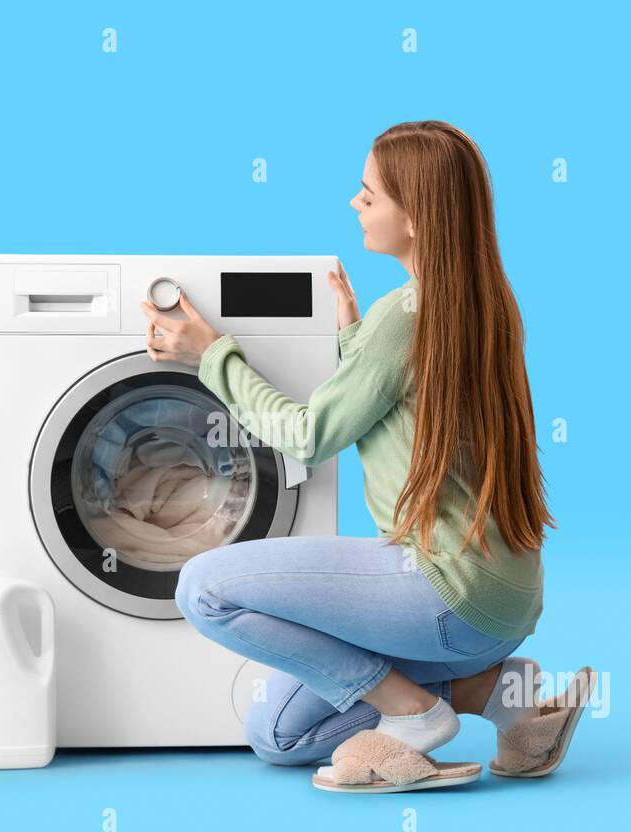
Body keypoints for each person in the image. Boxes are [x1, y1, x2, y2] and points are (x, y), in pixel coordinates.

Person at [145, 120, 573, 775]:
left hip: (440, 595)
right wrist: (355, 346)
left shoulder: (400, 321)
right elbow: (409, 401)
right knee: (276, 735)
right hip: (505, 607)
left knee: (203, 588)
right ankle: (489, 692)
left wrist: (212, 357)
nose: (355, 203)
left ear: (417, 216)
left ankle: (415, 713)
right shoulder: (485, 305)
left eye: (369, 194)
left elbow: (309, 436)